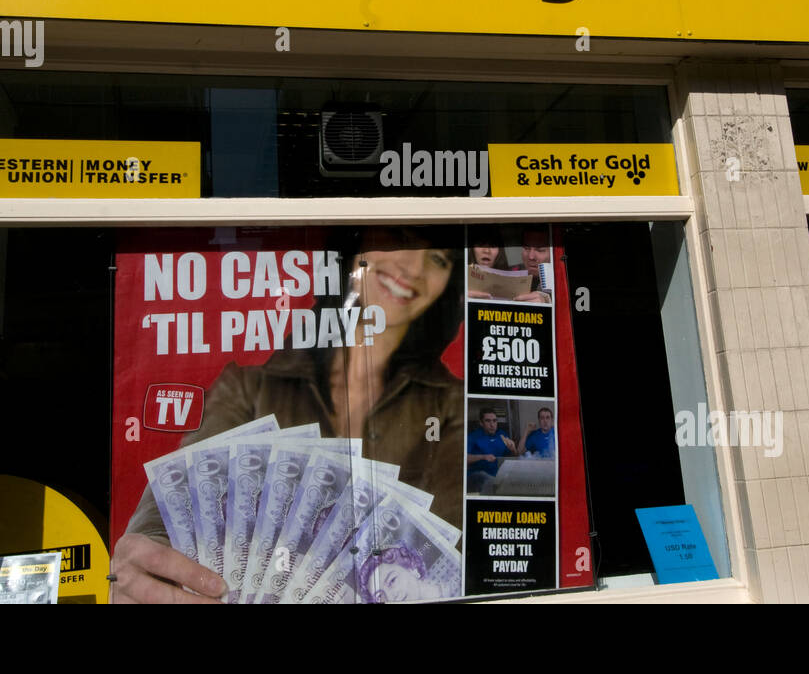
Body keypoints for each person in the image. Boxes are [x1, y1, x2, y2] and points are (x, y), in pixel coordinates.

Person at [111, 225, 465, 604]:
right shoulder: (249, 389)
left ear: (446, 286)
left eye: (439, 258)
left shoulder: (454, 407)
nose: (413, 267)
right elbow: (174, 513)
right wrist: (142, 568)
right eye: (401, 238)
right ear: (353, 245)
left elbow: (455, 547)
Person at [467, 407, 517, 478]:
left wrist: (513, 450)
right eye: (488, 421)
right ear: (481, 423)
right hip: (478, 477)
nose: (492, 424)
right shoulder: (473, 436)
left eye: (494, 421)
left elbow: (513, 458)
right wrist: (483, 457)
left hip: (499, 476)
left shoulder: (502, 435)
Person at [511, 226, 552, 305]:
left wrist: (547, 303)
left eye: (540, 250)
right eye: (526, 248)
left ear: (554, 254)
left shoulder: (563, 282)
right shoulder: (511, 274)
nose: (531, 257)